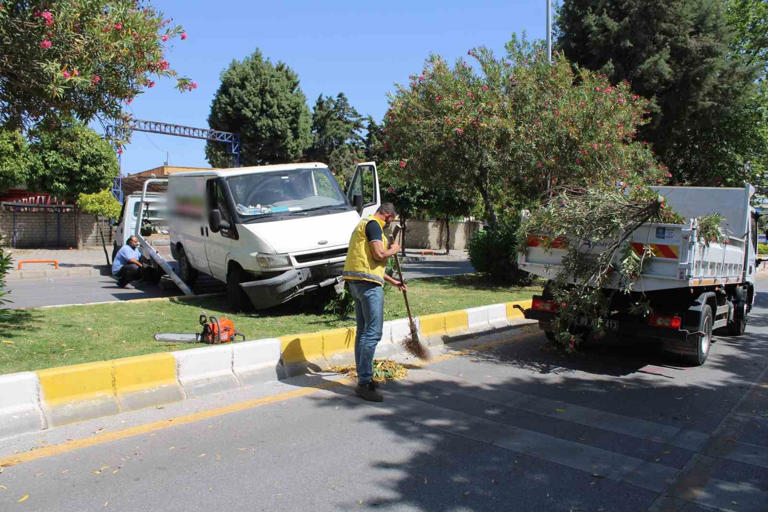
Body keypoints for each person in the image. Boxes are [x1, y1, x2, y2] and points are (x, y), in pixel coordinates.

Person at [342, 203, 406, 402]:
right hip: (368, 286)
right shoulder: (374, 225)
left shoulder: (363, 225)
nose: (389, 224)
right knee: (373, 333)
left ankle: (364, 376)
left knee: (363, 332)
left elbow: (369, 262)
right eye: (391, 220)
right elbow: (379, 254)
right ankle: (364, 383)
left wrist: (393, 281)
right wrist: (394, 249)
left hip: (357, 283)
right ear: (388, 215)